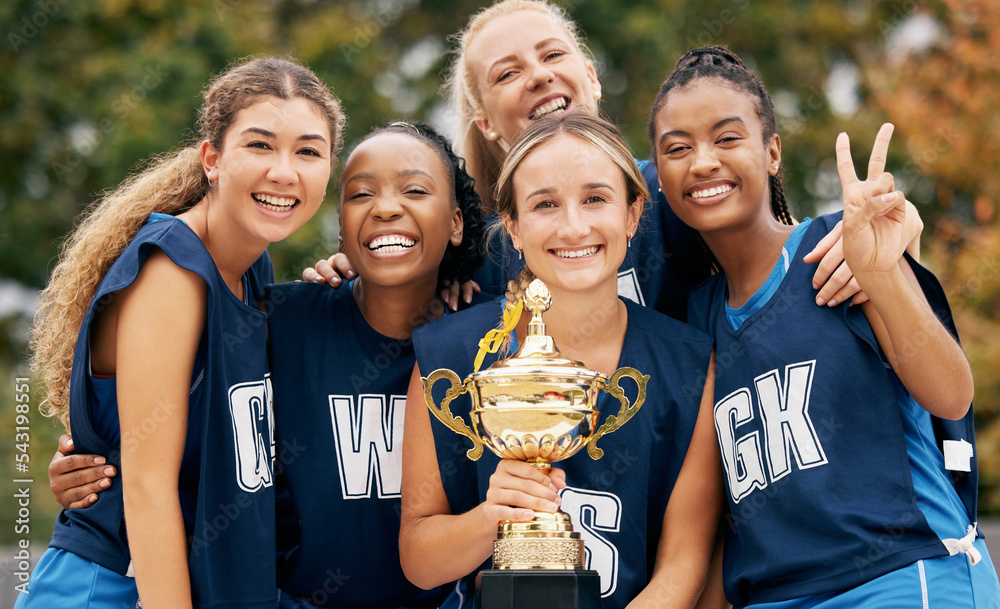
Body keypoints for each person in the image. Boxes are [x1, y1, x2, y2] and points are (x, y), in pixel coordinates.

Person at [647, 45, 1000, 607]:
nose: (704, 161)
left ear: (773, 153)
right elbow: (718, 526)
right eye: (678, 148)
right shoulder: (693, 318)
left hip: (901, 578)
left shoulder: (840, 249)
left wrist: (883, 275)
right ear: (659, 177)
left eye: (728, 138)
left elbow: (952, 395)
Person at [304, 0, 873, 321]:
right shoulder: (476, 252)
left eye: (552, 54)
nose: (539, 74)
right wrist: (365, 273)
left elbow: (774, 246)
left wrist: (868, 246)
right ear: (485, 123)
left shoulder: (672, 192)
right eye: (507, 73)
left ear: (592, 78)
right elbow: (398, 288)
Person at [22, 56, 344, 609]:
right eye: (260, 146)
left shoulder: (250, 272)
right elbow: (147, 491)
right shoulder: (172, 270)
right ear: (212, 160)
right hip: (114, 586)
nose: (285, 172)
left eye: (308, 151)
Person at [400, 111, 723, 609]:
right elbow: (419, 560)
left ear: (634, 215)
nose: (574, 226)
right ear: (512, 227)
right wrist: (493, 516)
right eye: (545, 204)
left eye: (596, 199)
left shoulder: (688, 364)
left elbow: (683, 562)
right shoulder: (451, 356)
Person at [266, 120, 488, 608]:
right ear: (342, 227)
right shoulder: (278, 324)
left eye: (413, 189)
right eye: (360, 194)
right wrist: (92, 459)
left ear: (455, 223)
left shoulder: (490, 339)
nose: (385, 208)